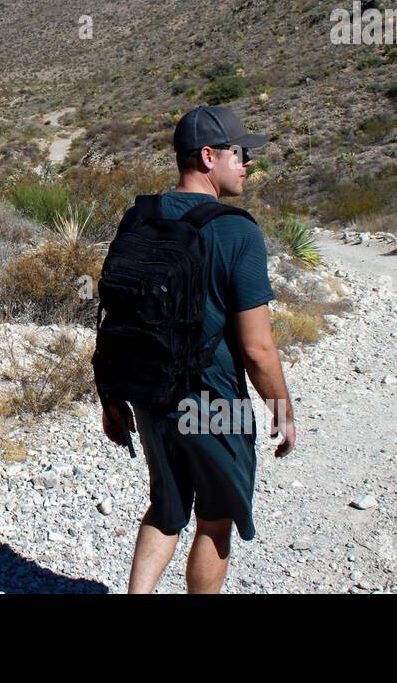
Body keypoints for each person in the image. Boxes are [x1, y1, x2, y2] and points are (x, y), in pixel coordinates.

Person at [101, 104, 296, 593]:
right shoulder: (237, 232)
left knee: (166, 508)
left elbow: (115, 314)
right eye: (241, 153)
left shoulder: (139, 216)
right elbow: (257, 349)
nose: (248, 163)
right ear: (209, 157)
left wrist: (110, 395)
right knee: (215, 518)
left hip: (150, 393)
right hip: (213, 404)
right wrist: (282, 407)